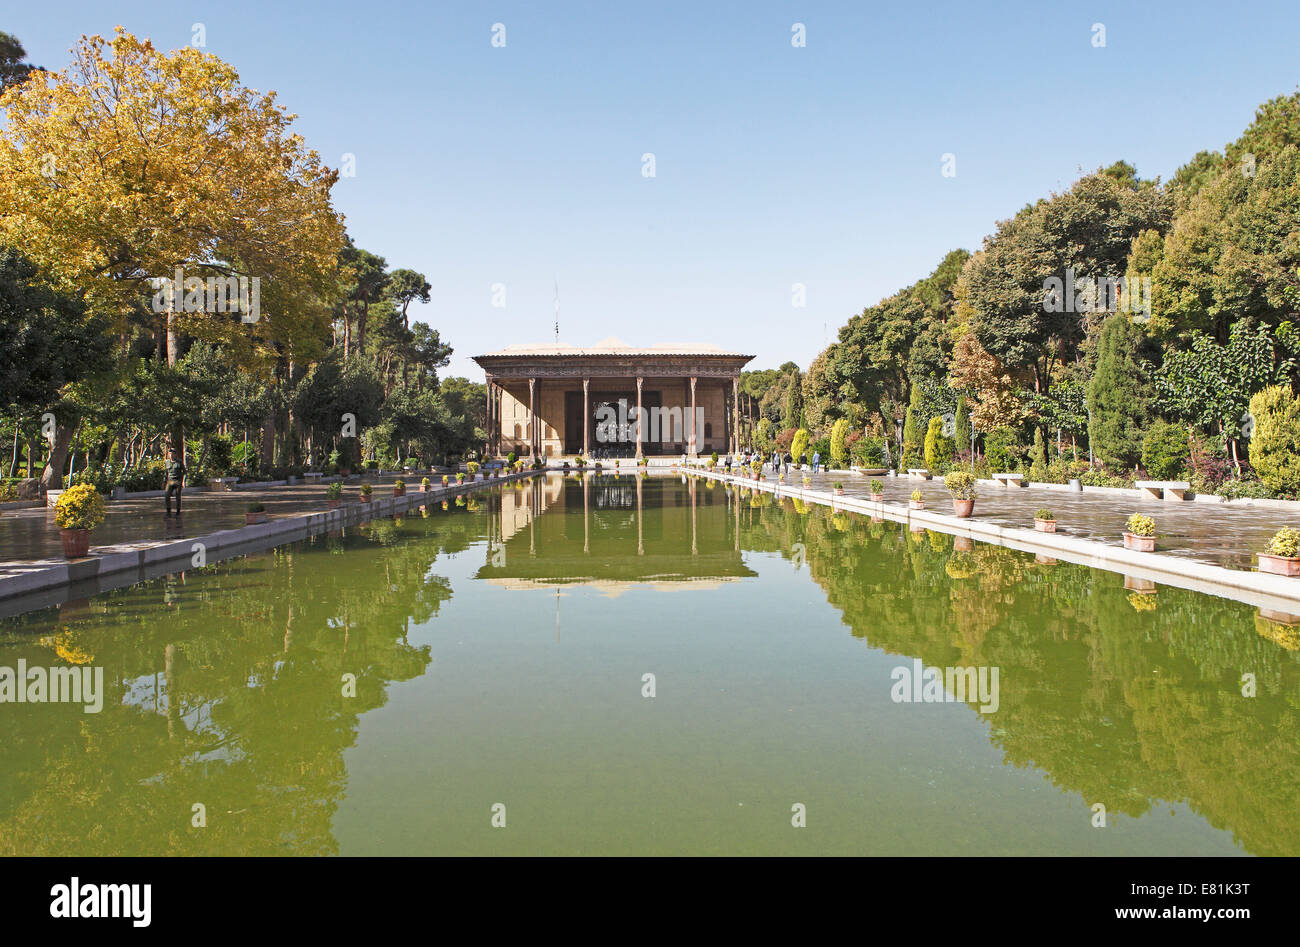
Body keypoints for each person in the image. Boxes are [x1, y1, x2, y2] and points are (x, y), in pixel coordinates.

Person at [164, 448, 186, 518]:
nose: (171, 455)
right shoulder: (167, 462)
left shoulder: (179, 462)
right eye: (170, 453)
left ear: (175, 454)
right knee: (167, 495)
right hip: (170, 480)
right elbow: (166, 473)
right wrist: (164, 481)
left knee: (178, 496)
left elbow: (184, 472)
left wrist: (183, 481)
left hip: (178, 480)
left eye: (173, 453)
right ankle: (168, 511)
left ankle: (178, 511)